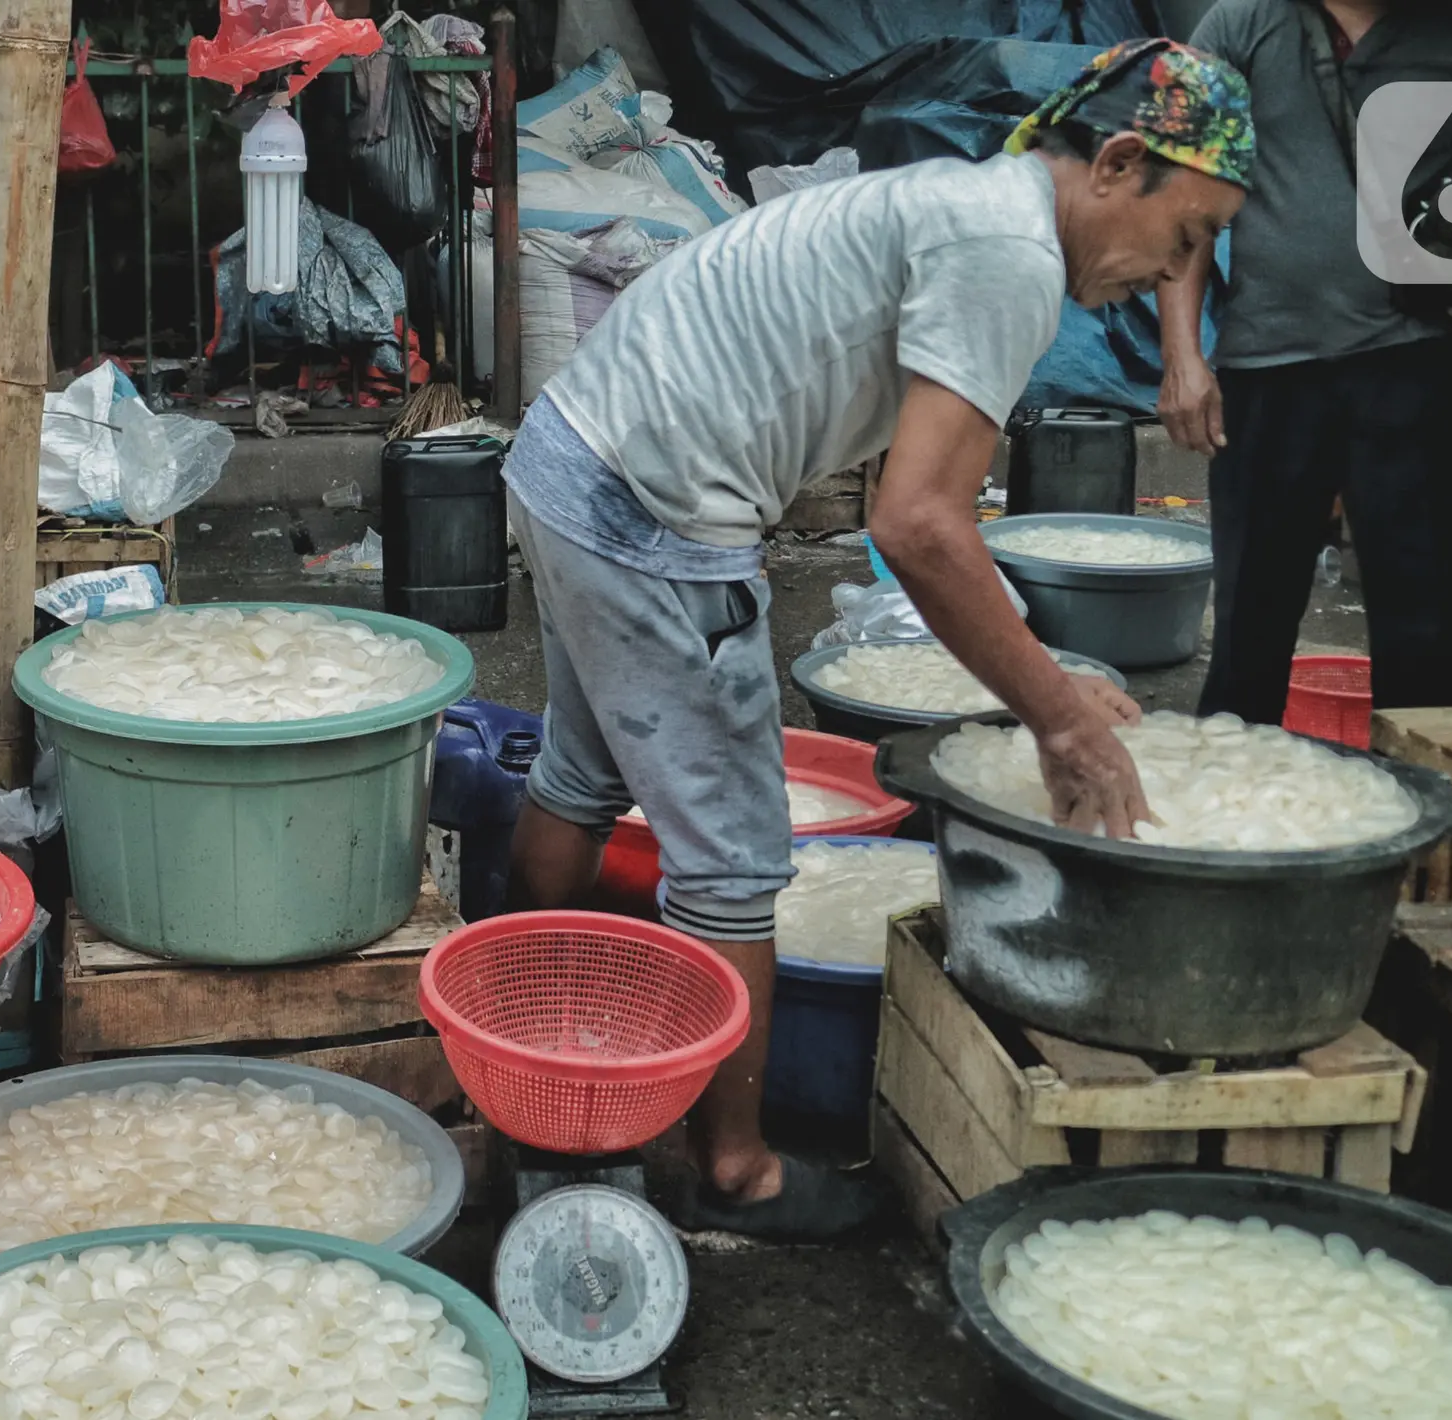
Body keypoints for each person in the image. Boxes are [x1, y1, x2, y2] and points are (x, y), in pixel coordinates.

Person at [499, 39, 1254, 1240]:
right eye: (1184, 234)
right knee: (732, 863)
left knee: (584, 774)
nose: (1174, 270)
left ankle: (526, 1066)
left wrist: (1042, 682)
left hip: (573, 448)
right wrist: (1052, 707)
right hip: (648, 504)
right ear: (1118, 162)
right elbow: (917, 525)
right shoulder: (1006, 253)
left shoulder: (976, 204)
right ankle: (733, 1171)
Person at [1159, 0, 1452, 722]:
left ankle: (1428, 822)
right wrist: (1183, 355)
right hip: (1266, 368)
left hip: (1421, 367)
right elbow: (1184, 187)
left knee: (1428, 642)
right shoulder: (1238, 25)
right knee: (1249, 631)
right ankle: (1230, 814)